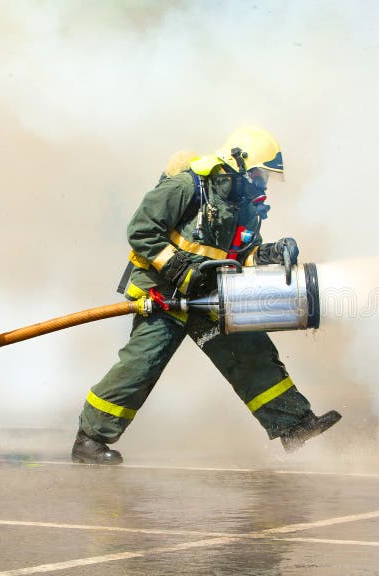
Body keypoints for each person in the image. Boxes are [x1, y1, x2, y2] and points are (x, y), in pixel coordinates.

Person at [71, 127, 341, 464]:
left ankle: (294, 425)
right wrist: (180, 268)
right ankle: (90, 441)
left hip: (208, 298)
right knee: (142, 365)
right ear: (239, 165)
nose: (263, 184)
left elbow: (241, 256)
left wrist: (271, 253)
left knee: (250, 351)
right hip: (163, 296)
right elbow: (141, 230)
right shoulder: (187, 187)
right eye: (260, 174)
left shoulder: (245, 208)